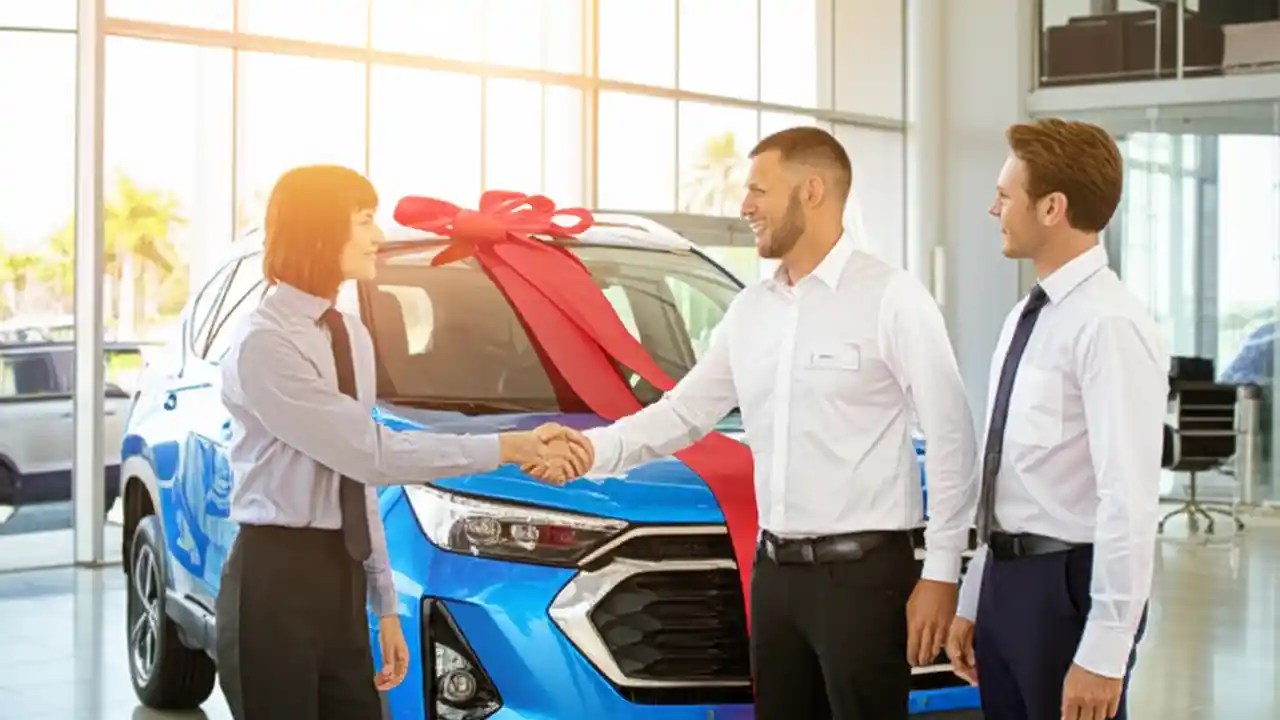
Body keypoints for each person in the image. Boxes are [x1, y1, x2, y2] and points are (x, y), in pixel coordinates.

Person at [532, 127, 980, 719]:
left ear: (812, 191)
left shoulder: (892, 298)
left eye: (758, 190)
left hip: (865, 580)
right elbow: (685, 413)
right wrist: (591, 451)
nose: (745, 207)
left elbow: (952, 437)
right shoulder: (752, 311)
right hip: (773, 576)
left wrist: (943, 573)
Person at [214, 164, 589, 719]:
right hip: (276, 579)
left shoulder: (350, 334)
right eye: (364, 221)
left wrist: (382, 605)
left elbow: (358, 480)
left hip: (341, 573)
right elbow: (372, 452)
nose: (379, 236)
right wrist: (510, 448)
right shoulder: (265, 345)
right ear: (319, 231)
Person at [945, 119, 1168, 720]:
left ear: (1052, 207)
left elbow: (1129, 498)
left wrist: (1105, 650)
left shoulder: (1110, 325)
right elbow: (1008, 474)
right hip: (1008, 582)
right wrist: (975, 596)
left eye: (1005, 195)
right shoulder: (1026, 315)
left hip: (1069, 587)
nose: (994, 209)